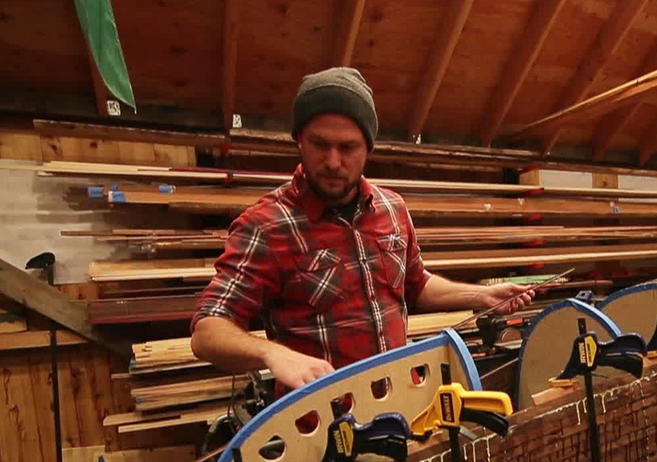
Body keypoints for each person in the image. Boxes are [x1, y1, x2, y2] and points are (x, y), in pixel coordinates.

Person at [191, 67, 533, 390]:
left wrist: (480, 296)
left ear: (368, 146)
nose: (333, 162)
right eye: (320, 144)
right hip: (322, 426)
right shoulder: (267, 226)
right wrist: (272, 353)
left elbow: (414, 284)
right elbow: (207, 331)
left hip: (403, 402)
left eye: (348, 147)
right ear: (299, 140)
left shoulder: (392, 209)